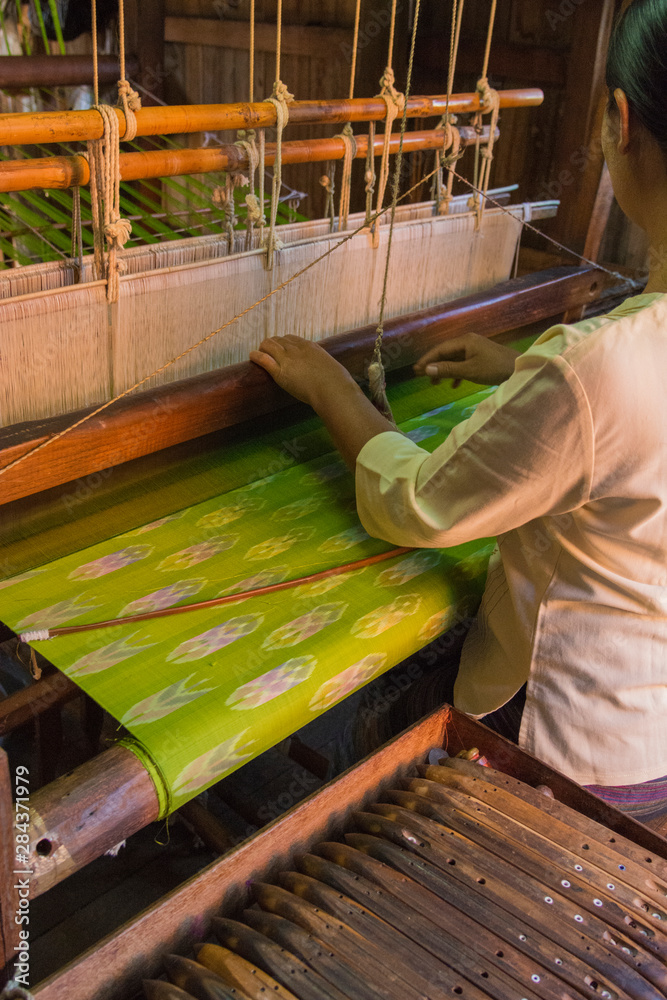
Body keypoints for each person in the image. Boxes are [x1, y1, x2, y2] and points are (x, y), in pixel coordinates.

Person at [250, 0, 667, 822]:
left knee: (375, 730)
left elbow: (420, 505)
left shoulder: (597, 371)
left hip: (550, 757)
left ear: (620, 121)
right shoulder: (609, 368)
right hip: (648, 746)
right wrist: (518, 368)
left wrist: (327, 384)